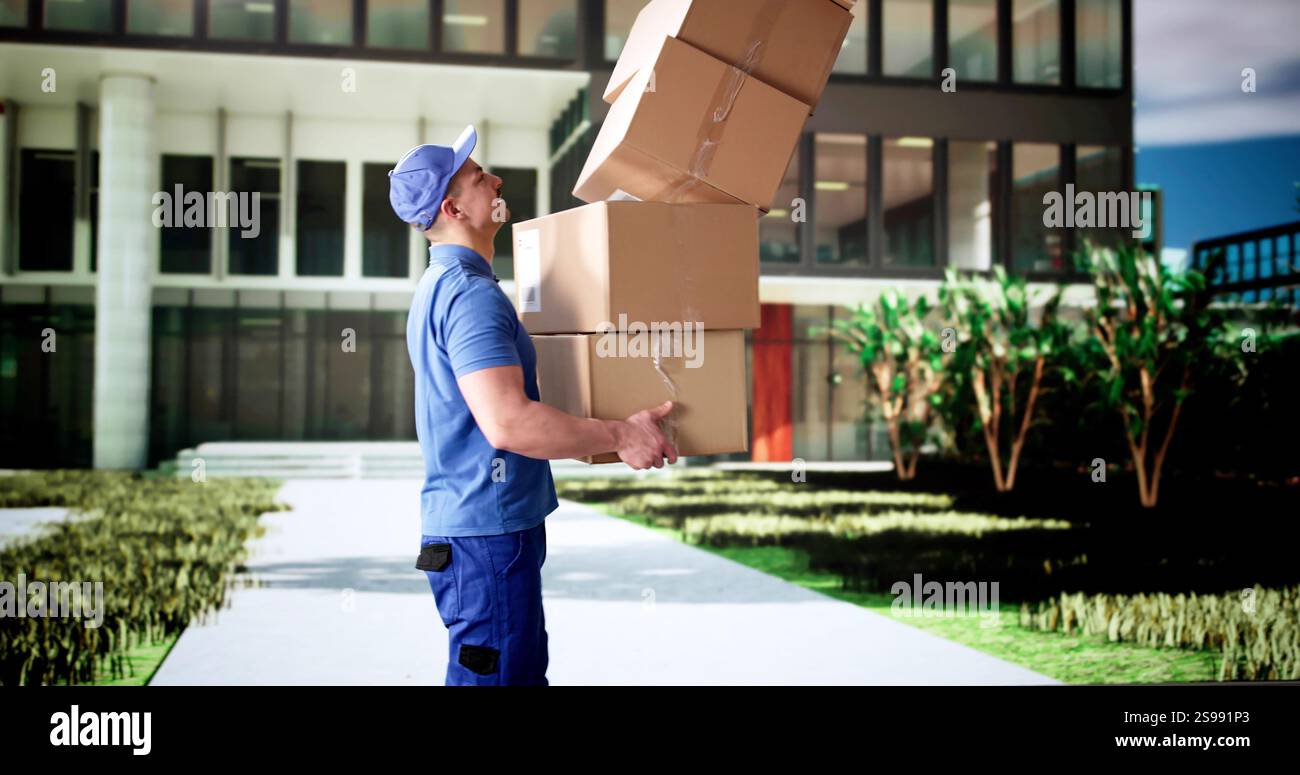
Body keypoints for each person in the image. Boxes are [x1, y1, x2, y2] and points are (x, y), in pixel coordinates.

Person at [389, 125, 678, 686]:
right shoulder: (470, 297)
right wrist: (622, 435)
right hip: (486, 538)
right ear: (453, 206)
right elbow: (508, 422)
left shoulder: (443, 285)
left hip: (479, 534)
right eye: (478, 177)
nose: (494, 179)